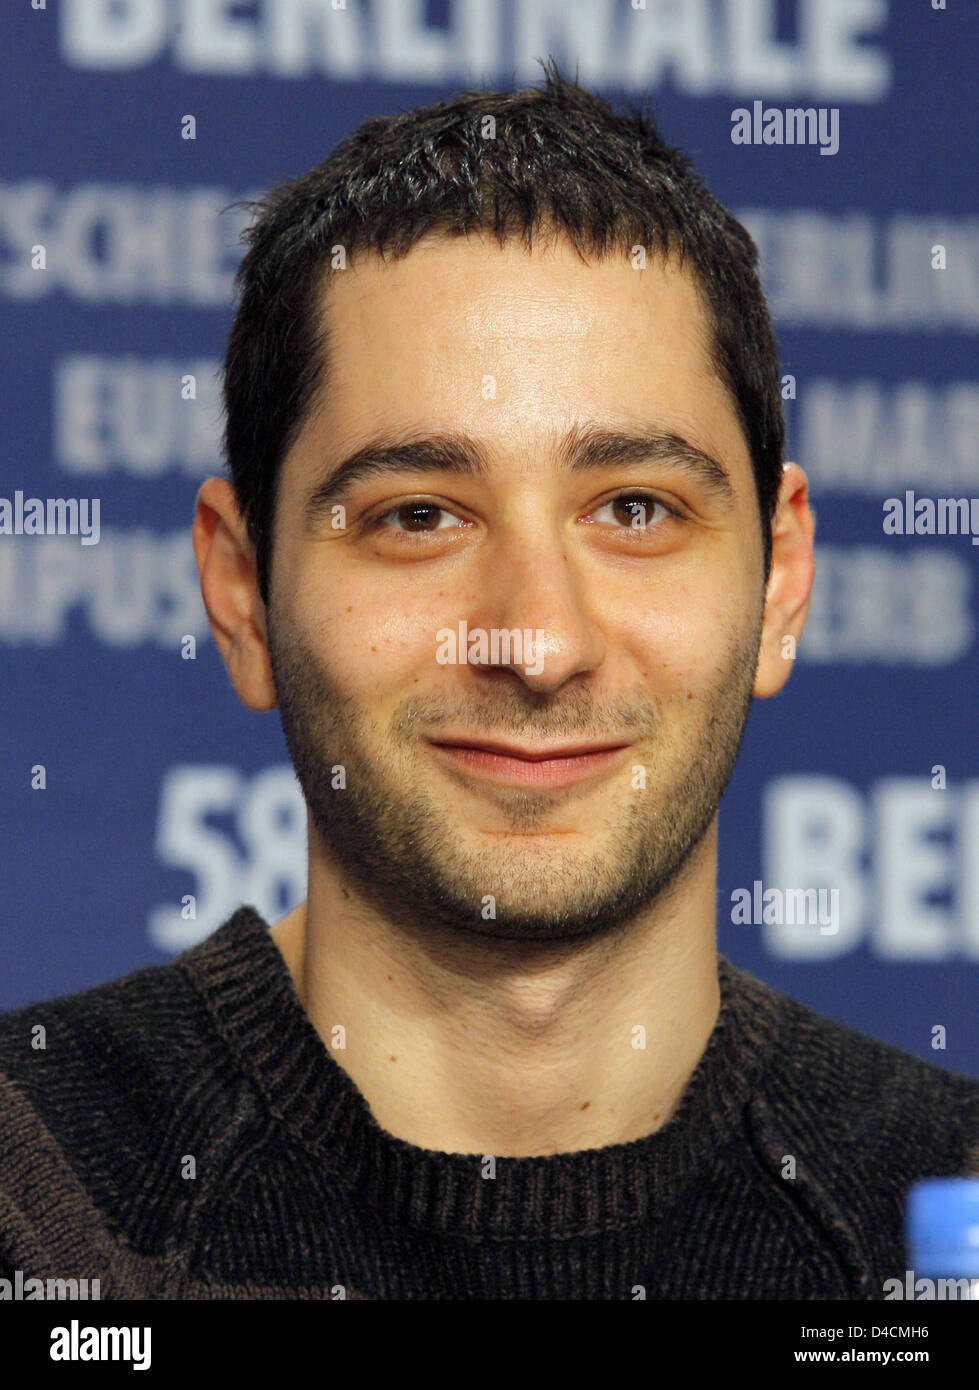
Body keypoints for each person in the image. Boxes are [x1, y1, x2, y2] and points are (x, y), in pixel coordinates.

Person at [1, 61, 976, 1302]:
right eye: (418, 515)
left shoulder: (942, 1215)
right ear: (240, 593)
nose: (535, 642)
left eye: (634, 507)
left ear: (782, 582)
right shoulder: (32, 1203)